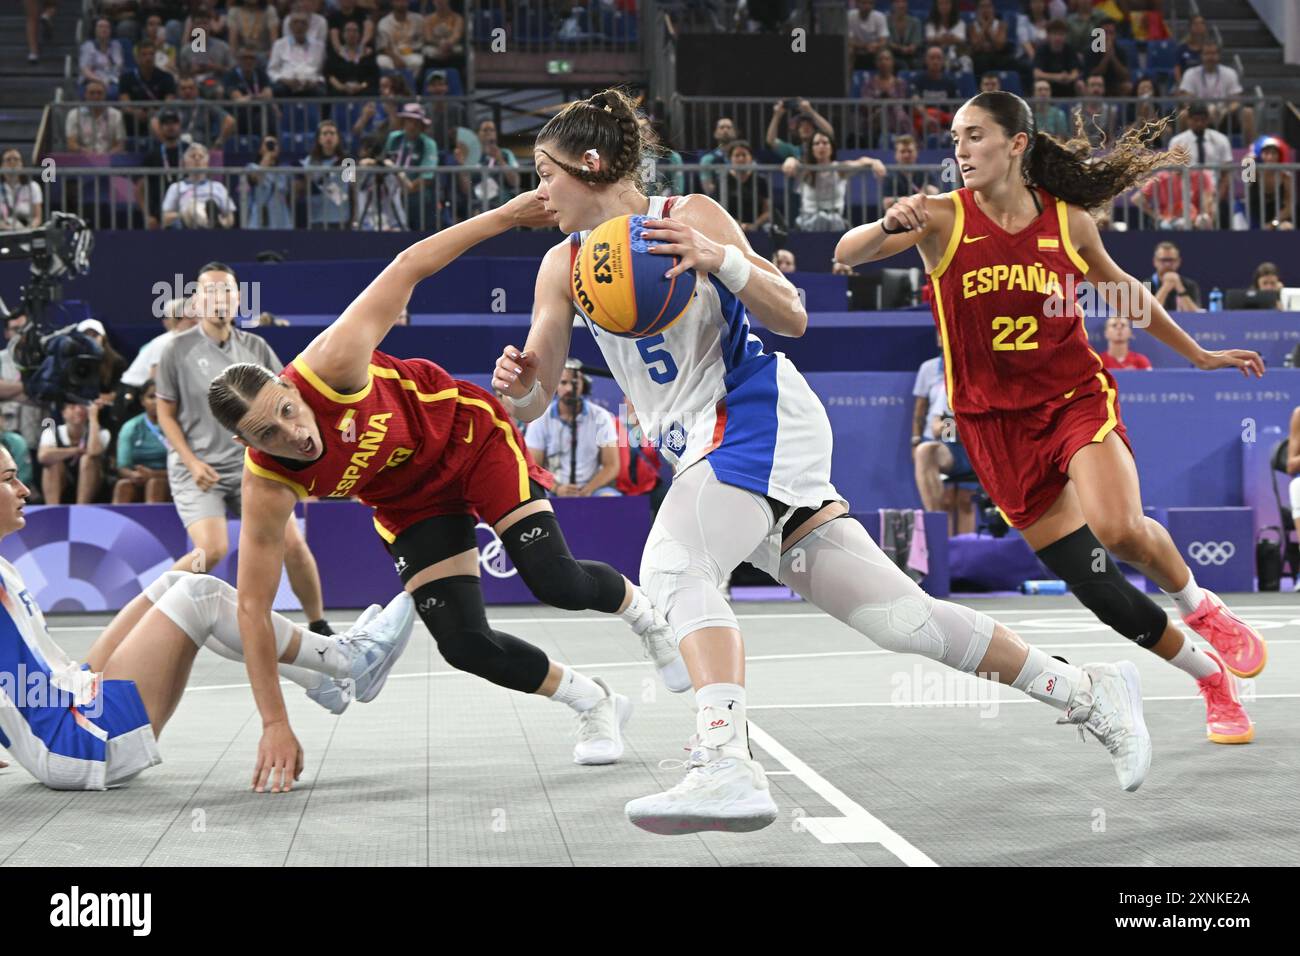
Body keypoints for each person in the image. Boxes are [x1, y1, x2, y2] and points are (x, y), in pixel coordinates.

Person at [496, 88, 1155, 836]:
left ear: (589, 164)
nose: (538, 191)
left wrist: (722, 260)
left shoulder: (690, 217)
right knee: (904, 620)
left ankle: (724, 763)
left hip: (756, 416)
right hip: (701, 450)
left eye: (546, 173)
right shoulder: (562, 264)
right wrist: (520, 392)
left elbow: (794, 314)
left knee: (675, 569)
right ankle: (1088, 689)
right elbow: (539, 389)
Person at [203, 196, 688, 790]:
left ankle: (647, 619)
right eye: (266, 435)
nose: (293, 435)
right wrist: (273, 722)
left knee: (553, 578)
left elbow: (408, 266)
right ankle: (594, 702)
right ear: (241, 442)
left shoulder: (332, 361)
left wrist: (507, 217)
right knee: (464, 643)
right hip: (409, 500)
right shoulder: (268, 483)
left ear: (287, 384)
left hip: (467, 438)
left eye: (286, 412)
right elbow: (252, 608)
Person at [837, 89, 1266, 753]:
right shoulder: (941, 219)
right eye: (955, 139)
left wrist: (1199, 353)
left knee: (1121, 528)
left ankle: (1202, 606)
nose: (961, 149)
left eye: (975, 135)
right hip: (993, 427)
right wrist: (886, 225)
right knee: (1096, 582)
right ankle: (1210, 677)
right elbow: (848, 252)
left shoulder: (1069, 225)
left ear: (1016, 144)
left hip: (1072, 399)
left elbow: (1129, 293)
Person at [0, 443, 417, 791]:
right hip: (76, 740)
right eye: (7, 479)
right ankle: (347, 663)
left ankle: (325, 678)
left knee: (176, 581)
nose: (24, 489)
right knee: (199, 596)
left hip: (76, 693)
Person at [155, 261, 332, 637]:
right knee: (212, 550)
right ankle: (148, 612)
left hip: (253, 468)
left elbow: (289, 403)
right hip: (198, 470)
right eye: (210, 292)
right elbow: (164, 412)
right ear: (197, 301)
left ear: (238, 300)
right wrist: (192, 461)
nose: (219, 299)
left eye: (227, 292)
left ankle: (321, 626)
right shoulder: (176, 350)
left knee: (294, 544)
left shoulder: (255, 346)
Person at [524, 360, 619, 497]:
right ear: (556, 386)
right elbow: (534, 466)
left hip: (592, 490)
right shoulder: (541, 419)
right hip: (552, 490)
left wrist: (588, 489)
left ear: (584, 386)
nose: (569, 388)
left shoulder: (601, 417)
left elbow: (611, 466)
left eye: (574, 383)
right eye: (563, 383)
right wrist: (557, 488)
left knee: (611, 499)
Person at [781, 131, 885, 232]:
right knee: (820, 219)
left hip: (835, 221)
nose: (821, 146)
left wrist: (875, 162)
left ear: (832, 147)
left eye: (825, 143)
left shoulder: (839, 169)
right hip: (808, 221)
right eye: (816, 143)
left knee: (835, 222)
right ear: (811, 149)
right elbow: (792, 163)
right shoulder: (806, 170)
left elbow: (862, 161)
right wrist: (790, 159)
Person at [38, 399, 111, 505]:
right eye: (72, 407)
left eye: (82, 407)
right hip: (64, 483)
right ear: (63, 413)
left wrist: (93, 418)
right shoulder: (52, 432)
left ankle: (80, 509)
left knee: (87, 460)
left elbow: (94, 452)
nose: (78, 411)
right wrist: (75, 450)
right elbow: (43, 457)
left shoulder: (101, 432)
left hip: (94, 485)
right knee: (52, 463)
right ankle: (52, 508)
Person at [1178, 42, 1254, 143]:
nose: (1210, 57)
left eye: (1213, 54)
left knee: (1247, 112)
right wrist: (1205, 110)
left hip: (1225, 115)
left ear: (1218, 56)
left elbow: (1236, 100)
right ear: (1201, 56)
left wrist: (1225, 110)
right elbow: (1186, 100)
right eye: (1207, 54)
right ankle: (1184, 149)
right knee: (1183, 114)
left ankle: (1249, 150)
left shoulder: (1230, 73)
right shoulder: (1190, 73)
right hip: (1199, 114)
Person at [113, 380, 171, 503]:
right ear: (142, 400)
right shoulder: (131, 427)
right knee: (123, 486)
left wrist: (154, 474)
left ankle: (154, 522)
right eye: (151, 397)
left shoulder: (179, 425)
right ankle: (116, 522)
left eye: (161, 397)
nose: (156, 401)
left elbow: (186, 467)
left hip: (172, 480)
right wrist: (133, 475)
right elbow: (122, 466)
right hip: (139, 478)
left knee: (155, 484)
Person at [161, 142, 237, 229]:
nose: (197, 159)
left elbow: (230, 217)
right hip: (185, 227)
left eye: (201, 156)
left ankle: (212, 223)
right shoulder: (175, 187)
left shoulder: (218, 187)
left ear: (207, 164)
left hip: (214, 229)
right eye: (193, 156)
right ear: (185, 163)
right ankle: (206, 222)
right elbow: (165, 217)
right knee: (191, 208)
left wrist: (223, 223)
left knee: (209, 206)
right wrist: (182, 214)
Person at [268, 13, 326, 97]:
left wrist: (312, 81)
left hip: (309, 82)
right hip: (286, 82)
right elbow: (272, 70)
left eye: (303, 23)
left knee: (320, 91)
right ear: (290, 26)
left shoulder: (318, 46)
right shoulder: (279, 44)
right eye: (295, 22)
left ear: (308, 26)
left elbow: (319, 71)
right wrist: (285, 80)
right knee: (278, 89)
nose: (299, 26)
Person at [720, 139, 769, 234]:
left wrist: (754, 225)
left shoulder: (760, 180)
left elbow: (767, 211)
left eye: (744, 155)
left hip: (756, 229)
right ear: (730, 159)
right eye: (737, 155)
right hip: (729, 228)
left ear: (751, 158)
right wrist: (736, 224)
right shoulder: (723, 180)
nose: (741, 159)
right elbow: (719, 209)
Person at [65, 80, 126, 155]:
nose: (96, 96)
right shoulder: (74, 114)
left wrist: (105, 157)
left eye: (99, 93)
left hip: (110, 160)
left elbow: (120, 145)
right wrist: (89, 154)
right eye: (92, 93)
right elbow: (71, 144)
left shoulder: (116, 114)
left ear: (105, 95)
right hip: (83, 159)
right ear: (85, 95)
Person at [1033, 19, 1083, 99]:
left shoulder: (1069, 49)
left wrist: (1067, 78)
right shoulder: (1042, 50)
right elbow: (1037, 74)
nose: (1058, 37)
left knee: (1080, 84)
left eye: (1061, 34)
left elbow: (1075, 73)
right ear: (1048, 35)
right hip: (1048, 86)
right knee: (1040, 84)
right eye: (1055, 34)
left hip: (1066, 86)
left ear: (1065, 36)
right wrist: (1057, 77)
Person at [1149, 240, 1202, 311]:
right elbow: (1148, 315)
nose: (1167, 264)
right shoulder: (1146, 284)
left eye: (1171, 260)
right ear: (1155, 261)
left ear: (1178, 262)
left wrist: (1180, 288)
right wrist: (1165, 288)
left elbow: (1196, 315)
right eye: (1163, 260)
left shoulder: (1190, 285)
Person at [0, 147, 43, 231]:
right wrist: (7, 229)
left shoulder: (33, 187)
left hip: (26, 231)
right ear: (1, 165)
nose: (12, 162)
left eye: (16, 159)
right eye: (8, 160)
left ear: (22, 164)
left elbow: (37, 217)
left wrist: (28, 230)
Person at [698, 116, 737, 197]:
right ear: (715, 133)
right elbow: (708, 189)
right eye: (722, 127)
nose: (725, 130)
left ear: (734, 132)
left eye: (729, 127)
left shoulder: (743, 158)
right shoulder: (707, 159)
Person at [848, 0, 888, 71]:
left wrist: (876, 45)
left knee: (884, 53)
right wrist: (865, 46)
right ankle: (848, 80)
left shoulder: (880, 16)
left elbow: (883, 41)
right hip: (856, 49)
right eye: (864, 3)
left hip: (874, 50)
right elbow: (849, 40)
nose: (867, 6)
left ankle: (881, 79)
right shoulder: (850, 16)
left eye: (870, 3)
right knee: (849, 50)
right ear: (857, 3)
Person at [885, 0, 923, 69]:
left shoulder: (915, 22)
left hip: (911, 55)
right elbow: (887, 41)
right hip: (892, 54)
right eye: (897, 2)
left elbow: (917, 41)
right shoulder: (886, 21)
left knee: (917, 64)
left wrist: (912, 47)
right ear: (892, 4)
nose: (901, 5)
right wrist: (901, 49)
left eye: (903, 1)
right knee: (901, 65)